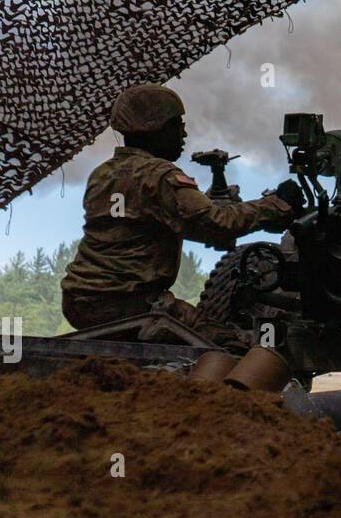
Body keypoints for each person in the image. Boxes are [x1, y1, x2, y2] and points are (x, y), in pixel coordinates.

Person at [60, 83, 302, 350]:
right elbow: (218, 225)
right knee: (232, 348)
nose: (183, 133)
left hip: (79, 302)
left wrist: (210, 206)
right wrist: (277, 204)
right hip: (131, 304)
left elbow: (163, 221)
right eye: (176, 124)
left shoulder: (103, 174)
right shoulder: (160, 175)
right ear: (154, 128)